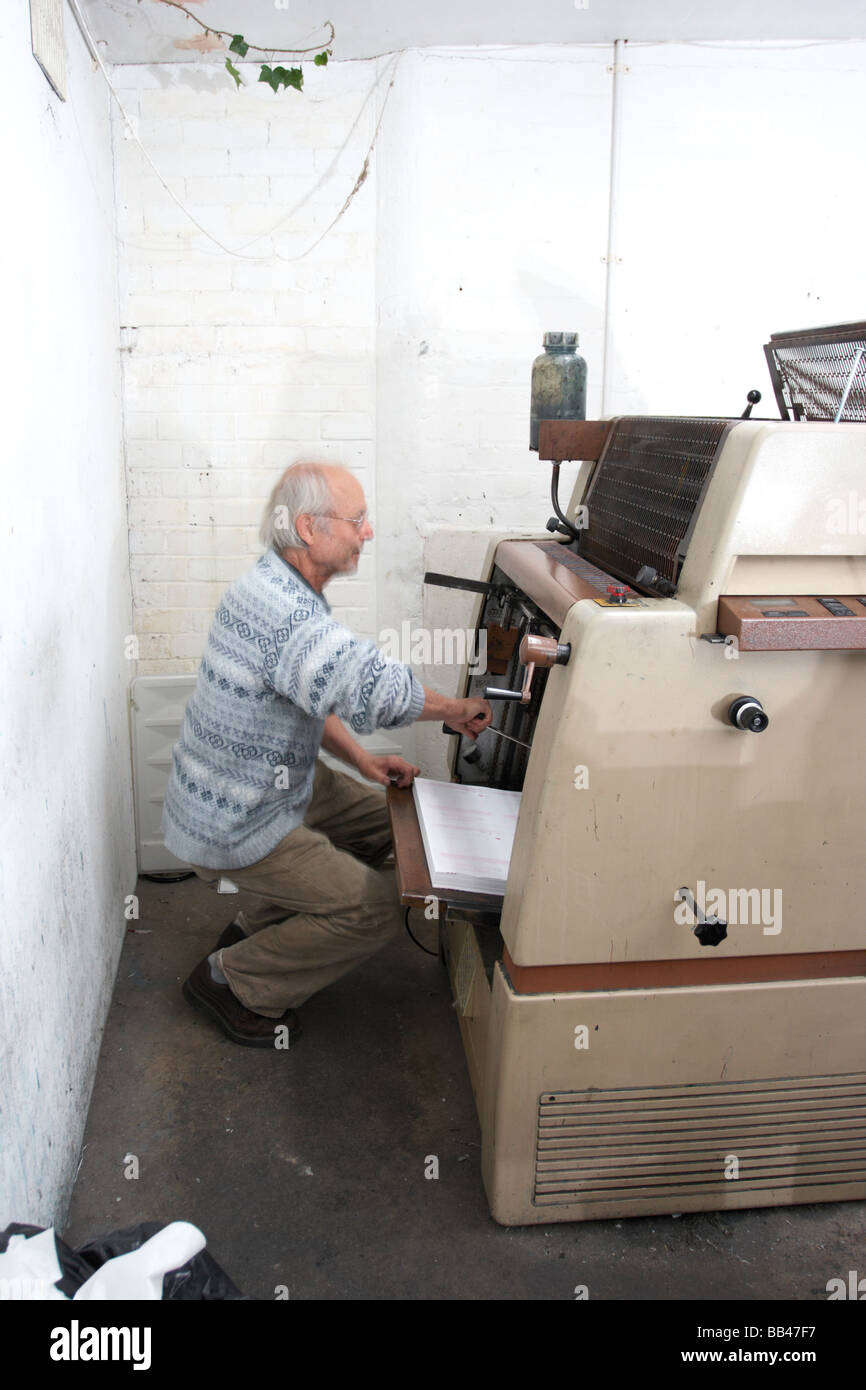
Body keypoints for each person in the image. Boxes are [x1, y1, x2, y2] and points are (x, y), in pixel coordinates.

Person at [162, 461, 492, 1047]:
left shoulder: (275, 585)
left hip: (270, 779)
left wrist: (362, 761)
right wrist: (455, 708)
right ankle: (233, 982)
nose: (368, 531)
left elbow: (312, 690)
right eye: (357, 519)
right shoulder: (284, 612)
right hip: (236, 814)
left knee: (398, 823)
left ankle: (256, 929)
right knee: (374, 910)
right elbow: (372, 686)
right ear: (308, 528)